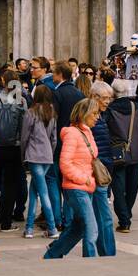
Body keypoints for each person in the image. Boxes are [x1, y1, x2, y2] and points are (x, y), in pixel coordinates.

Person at [44, 97, 101, 260]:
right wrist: (85, 179)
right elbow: (65, 164)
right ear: (84, 113)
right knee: (91, 228)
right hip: (76, 188)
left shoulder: (87, 132)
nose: (97, 117)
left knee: (78, 228)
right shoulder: (72, 134)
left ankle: (52, 255)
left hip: (85, 187)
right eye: (94, 113)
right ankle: (90, 266)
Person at [0, 70, 26, 231]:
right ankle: (6, 221)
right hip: (14, 147)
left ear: (3, 81)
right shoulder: (20, 101)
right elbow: (23, 126)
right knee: (10, 184)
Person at [20, 83, 58, 238]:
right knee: (34, 191)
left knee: (42, 193)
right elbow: (54, 139)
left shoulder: (31, 113)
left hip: (34, 154)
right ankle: (28, 227)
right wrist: (50, 153)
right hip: (47, 155)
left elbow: (24, 137)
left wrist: (22, 155)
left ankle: (52, 227)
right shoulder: (52, 112)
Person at [106, 77, 138, 232]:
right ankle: (126, 214)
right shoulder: (136, 107)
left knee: (118, 187)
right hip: (136, 151)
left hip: (117, 153)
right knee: (132, 186)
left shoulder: (109, 109)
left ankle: (124, 219)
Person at [51, 61, 82, 226]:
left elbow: (53, 120)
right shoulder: (78, 93)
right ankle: (69, 219)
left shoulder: (58, 94)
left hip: (60, 141)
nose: (52, 76)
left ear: (60, 74)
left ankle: (58, 219)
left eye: (54, 73)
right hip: (74, 141)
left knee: (56, 183)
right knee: (68, 183)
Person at [89, 80, 116, 256]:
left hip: (103, 172)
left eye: (109, 98)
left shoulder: (102, 116)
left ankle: (55, 250)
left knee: (86, 222)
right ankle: (109, 255)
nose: (107, 102)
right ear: (94, 97)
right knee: (105, 219)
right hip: (95, 173)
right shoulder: (90, 118)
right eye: (105, 98)